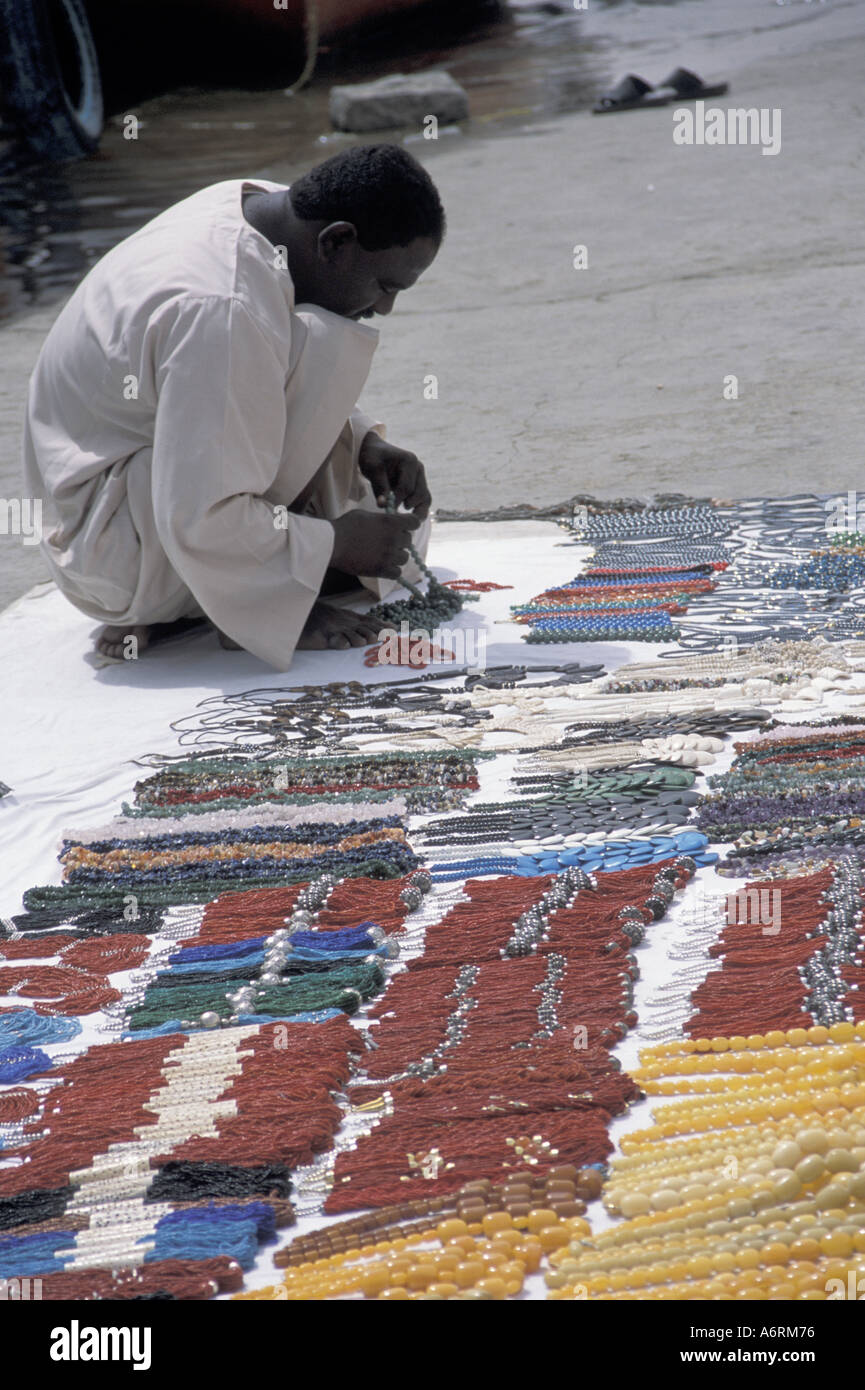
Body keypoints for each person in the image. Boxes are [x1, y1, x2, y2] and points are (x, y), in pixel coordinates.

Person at [22, 144, 445, 664]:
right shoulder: (222, 308)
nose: (385, 307)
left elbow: (261, 373)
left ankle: (239, 589)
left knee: (394, 533)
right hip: (106, 544)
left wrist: (359, 441)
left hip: (150, 479)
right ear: (337, 241)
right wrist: (333, 545)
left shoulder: (267, 210)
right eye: (384, 285)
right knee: (363, 548)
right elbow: (203, 515)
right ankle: (220, 601)